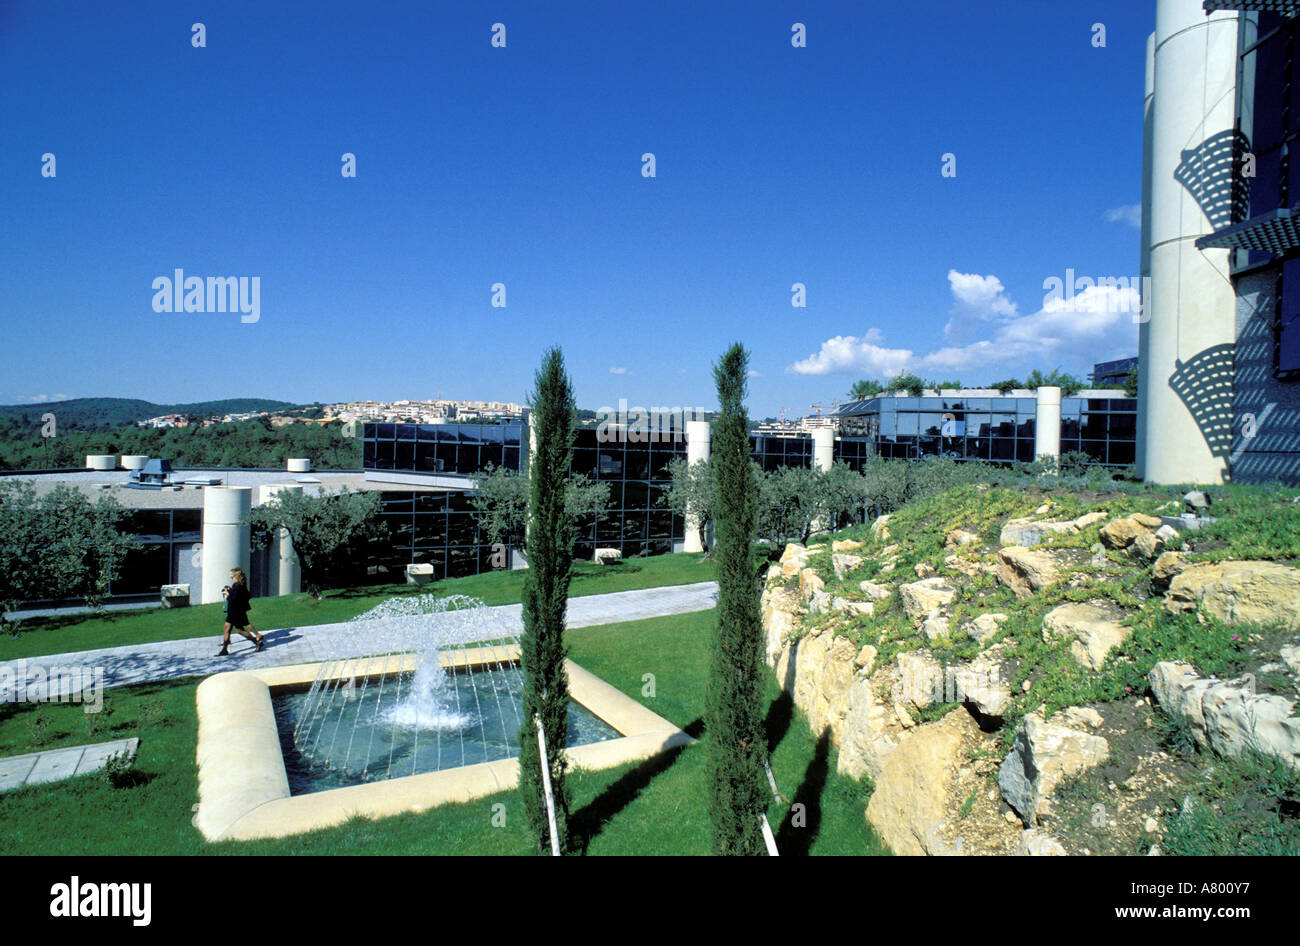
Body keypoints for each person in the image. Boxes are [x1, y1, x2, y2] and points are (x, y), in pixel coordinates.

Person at [216, 567, 264, 656]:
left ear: (235, 575)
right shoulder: (236, 585)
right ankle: (224, 649)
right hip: (232, 611)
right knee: (227, 628)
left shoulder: (239, 586)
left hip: (236, 612)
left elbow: (234, 599)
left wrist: (227, 594)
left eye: (231, 575)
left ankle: (256, 642)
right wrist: (230, 590)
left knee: (239, 630)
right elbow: (234, 595)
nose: (230, 576)